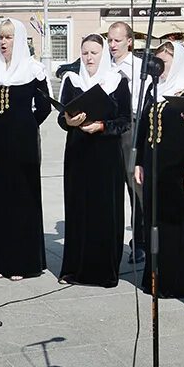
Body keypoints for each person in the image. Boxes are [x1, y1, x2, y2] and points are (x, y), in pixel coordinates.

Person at [0, 18, 51, 280]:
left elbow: (44, 108)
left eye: (8, 37)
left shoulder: (34, 70)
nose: (3, 42)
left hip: (23, 144)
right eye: (0, 37)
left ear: (18, 40)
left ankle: (21, 262)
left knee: (21, 198)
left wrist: (27, 125)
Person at [134, 42, 184, 298]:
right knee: (155, 221)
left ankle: (180, 281)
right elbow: (144, 128)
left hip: (180, 168)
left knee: (179, 224)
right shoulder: (154, 89)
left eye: (165, 63)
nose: (160, 69)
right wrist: (139, 162)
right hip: (155, 165)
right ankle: (156, 277)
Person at [58, 34, 130, 288]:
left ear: (104, 55)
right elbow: (61, 116)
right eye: (85, 53)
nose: (89, 58)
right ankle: (74, 269)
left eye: (94, 53)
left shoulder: (117, 82)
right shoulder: (72, 80)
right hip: (78, 153)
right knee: (78, 209)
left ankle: (104, 271)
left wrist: (101, 126)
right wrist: (69, 121)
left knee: (104, 211)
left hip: (106, 155)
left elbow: (124, 121)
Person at [108, 21, 146, 262]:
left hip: (132, 126)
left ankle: (139, 242)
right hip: (106, 129)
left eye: (117, 40)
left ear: (129, 42)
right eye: (109, 40)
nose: (112, 45)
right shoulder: (104, 66)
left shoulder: (139, 67)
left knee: (135, 186)